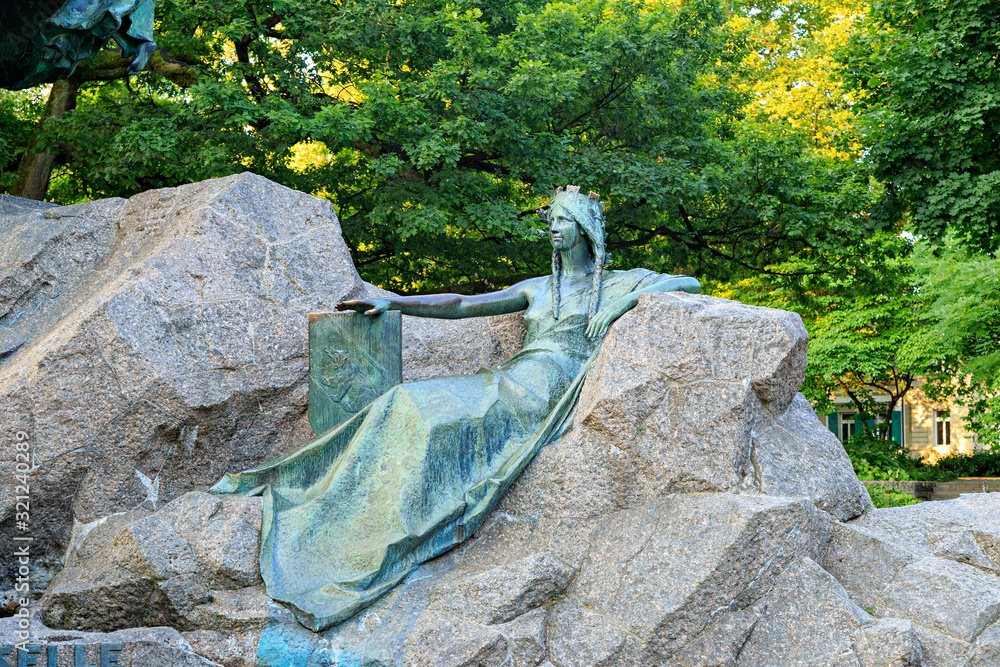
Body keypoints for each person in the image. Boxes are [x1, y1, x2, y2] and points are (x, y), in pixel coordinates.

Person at [210, 185, 701, 631]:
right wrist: (398, 302)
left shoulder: (619, 281)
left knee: (438, 424)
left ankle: (387, 532)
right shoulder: (538, 287)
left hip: (544, 390)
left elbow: (688, 283)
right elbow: (464, 304)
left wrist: (620, 305)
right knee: (404, 400)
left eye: (561, 220)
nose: (551, 228)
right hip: (508, 378)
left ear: (583, 229)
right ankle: (321, 493)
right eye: (549, 219)